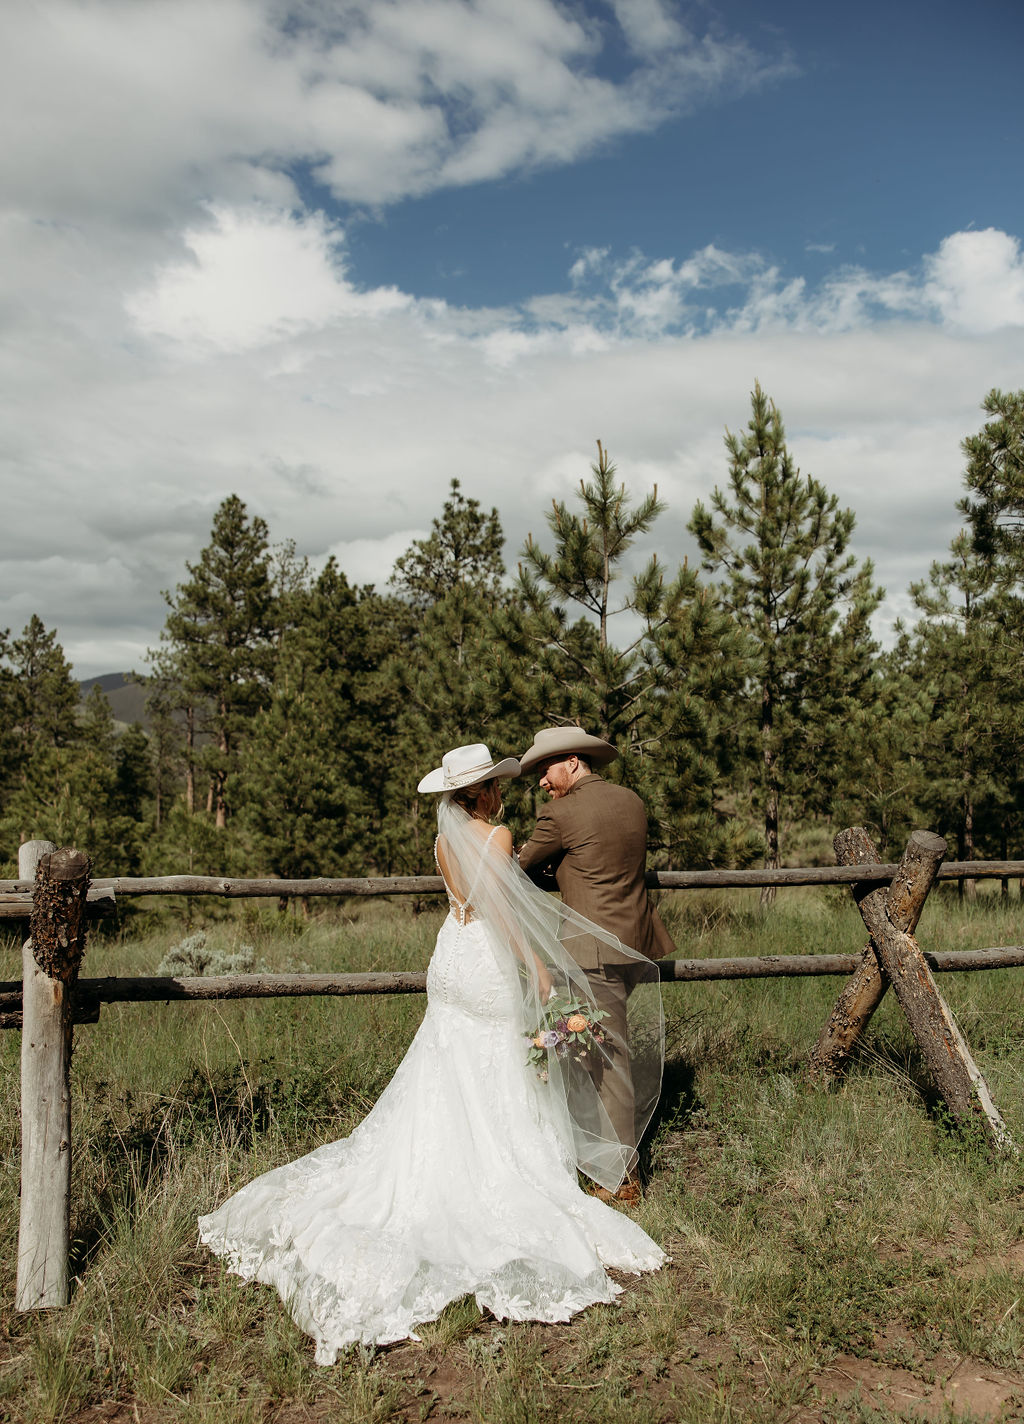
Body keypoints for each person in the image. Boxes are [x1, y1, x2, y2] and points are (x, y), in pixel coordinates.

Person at [198, 743, 664, 1363]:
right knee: (496, 1063)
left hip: (450, 959)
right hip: (489, 965)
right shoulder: (496, 837)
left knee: (446, 1066)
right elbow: (502, 913)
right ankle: (502, 1168)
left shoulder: (445, 841)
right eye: (498, 784)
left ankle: (442, 1160)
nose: (505, 792)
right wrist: (540, 973)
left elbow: (466, 905)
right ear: (485, 793)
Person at [517, 727, 675, 1203]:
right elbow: (604, 862)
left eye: (544, 770)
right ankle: (591, 1157)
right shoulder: (632, 802)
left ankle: (623, 1178)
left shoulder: (560, 814)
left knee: (606, 1059)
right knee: (582, 1047)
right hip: (633, 943)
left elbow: (518, 864)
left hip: (590, 952)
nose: (541, 783)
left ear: (571, 761)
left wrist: (554, 866)